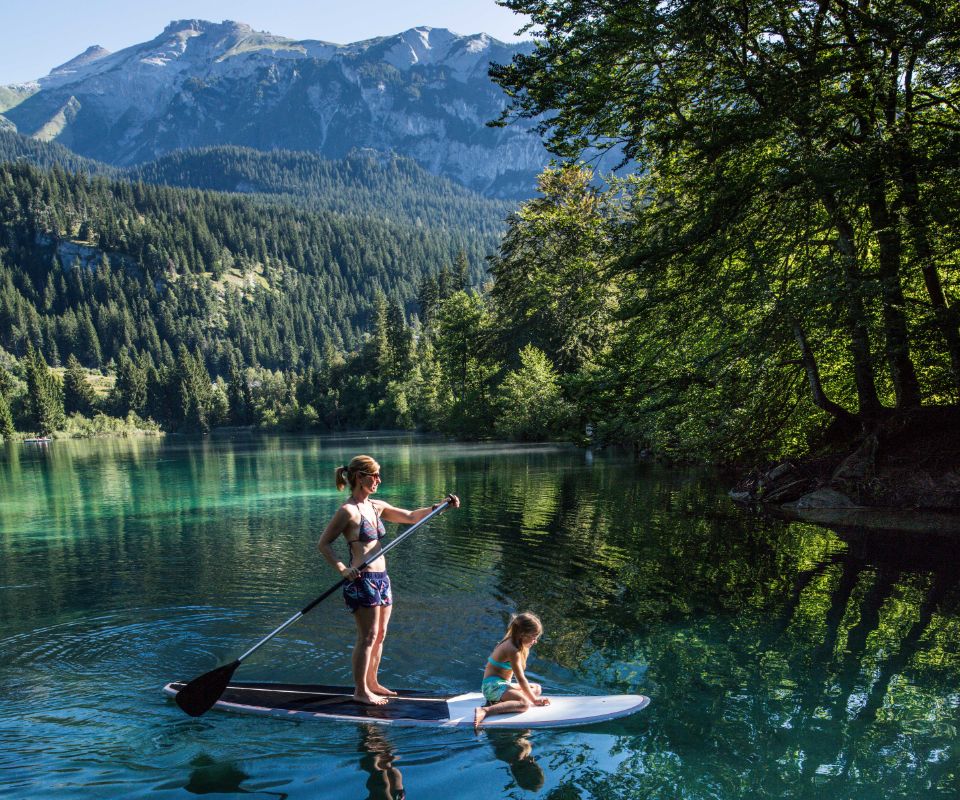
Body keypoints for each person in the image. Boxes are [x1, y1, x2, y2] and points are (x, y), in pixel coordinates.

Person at [318, 454, 459, 706]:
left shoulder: (376, 506)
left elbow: (412, 516)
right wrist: (341, 568)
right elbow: (324, 544)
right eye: (375, 476)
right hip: (361, 579)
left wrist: (441, 506)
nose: (379, 480)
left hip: (382, 579)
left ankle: (372, 682)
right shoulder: (347, 511)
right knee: (368, 636)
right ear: (360, 477)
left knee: (381, 634)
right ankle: (360, 691)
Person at [474, 612, 550, 730]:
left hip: (502, 685)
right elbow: (520, 679)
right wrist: (534, 700)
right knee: (525, 704)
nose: (535, 641)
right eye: (533, 637)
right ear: (522, 634)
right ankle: (485, 710)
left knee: (536, 688)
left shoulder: (519, 644)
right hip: (491, 686)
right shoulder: (512, 649)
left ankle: (502, 701)